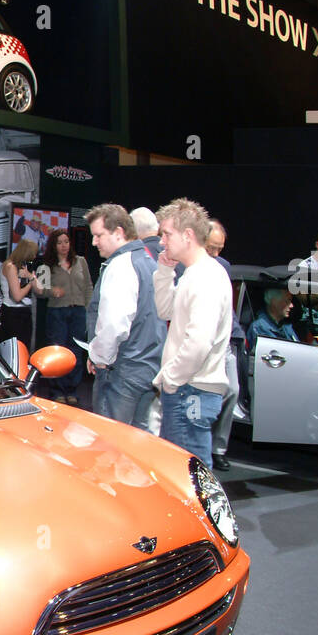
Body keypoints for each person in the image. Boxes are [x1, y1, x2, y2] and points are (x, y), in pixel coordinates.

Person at [152, 198, 233, 468]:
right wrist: (164, 271)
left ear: (188, 235)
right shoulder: (195, 273)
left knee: (191, 483)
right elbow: (166, 311)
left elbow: (199, 343)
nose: (162, 241)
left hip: (190, 391)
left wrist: (171, 378)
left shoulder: (206, 277)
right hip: (188, 390)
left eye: (166, 234)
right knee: (185, 478)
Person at [85, 204, 164, 428]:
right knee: (138, 445)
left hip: (123, 372)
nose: (94, 242)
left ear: (119, 233)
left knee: (112, 445)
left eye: (99, 235)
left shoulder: (122, 266)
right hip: (148, 368)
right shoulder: (148, 262)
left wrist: (99, 358)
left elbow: (114, 325)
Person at [37, 228, 91, 404]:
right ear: (53, 245)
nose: (63, 246)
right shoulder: (46, 266)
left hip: (78, 311)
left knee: (76, 351)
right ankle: (57, 390)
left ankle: (72, 390)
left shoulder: (81, 262)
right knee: (58, 350)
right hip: (57, 312)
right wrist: (52, 291)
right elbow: (40, 292)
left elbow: (89, 286)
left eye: (66, 242)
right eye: (59, 242)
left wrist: (88, 308)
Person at [205, 220, 242, 471]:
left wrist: (236, 332)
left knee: (233, 391)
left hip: (225, 339)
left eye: (220, 249)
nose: (217, 254)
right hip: (203, 341)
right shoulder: (188, 267)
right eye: (212, 248)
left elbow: (228, 306)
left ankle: (218, 448)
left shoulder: (223, 267)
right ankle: (202, 447)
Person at [0, 239, 38, 346]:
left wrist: (30, 276)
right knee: (16, 350)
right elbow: (17, 296)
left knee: (25, 348)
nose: (34, 257)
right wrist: (31, 282)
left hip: (23, 312)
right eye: (33, 254)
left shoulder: (22, 267)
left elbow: (40, 290)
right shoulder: (10, 266)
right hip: (13, 314)